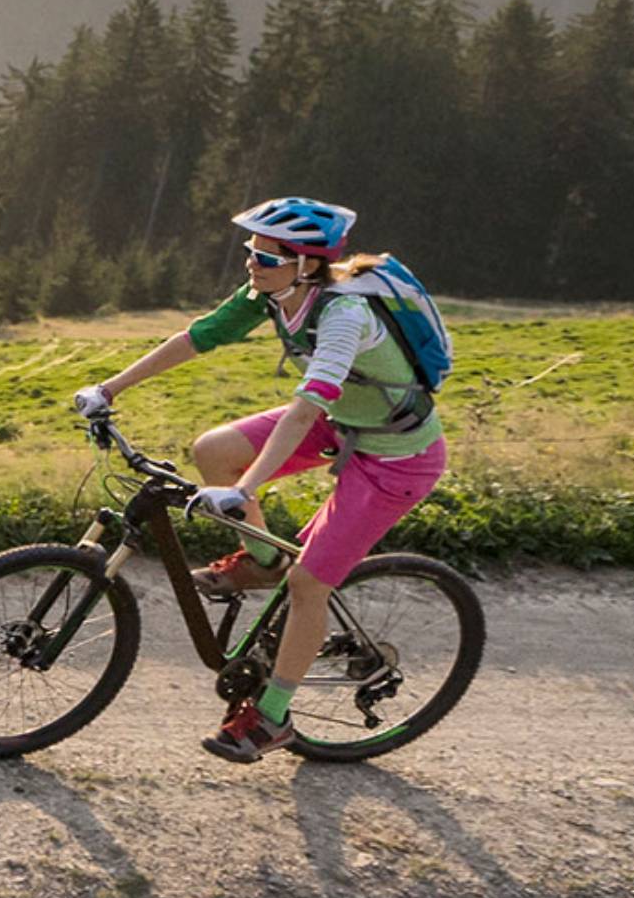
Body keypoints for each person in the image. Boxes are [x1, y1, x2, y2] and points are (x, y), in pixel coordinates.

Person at [66, 196, 451, 763]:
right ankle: (263, 562)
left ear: (306, 264)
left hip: (396, 456)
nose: (252, 262)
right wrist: (110, 389)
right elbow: (200, 335)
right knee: (214, 450)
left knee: (309, 586)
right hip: (345, 421)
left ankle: (271, 718)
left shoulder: (346, 315)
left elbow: (302, 410)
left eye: (268, 256)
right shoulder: (271, 295)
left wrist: (243, 493)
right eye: (250, 251)